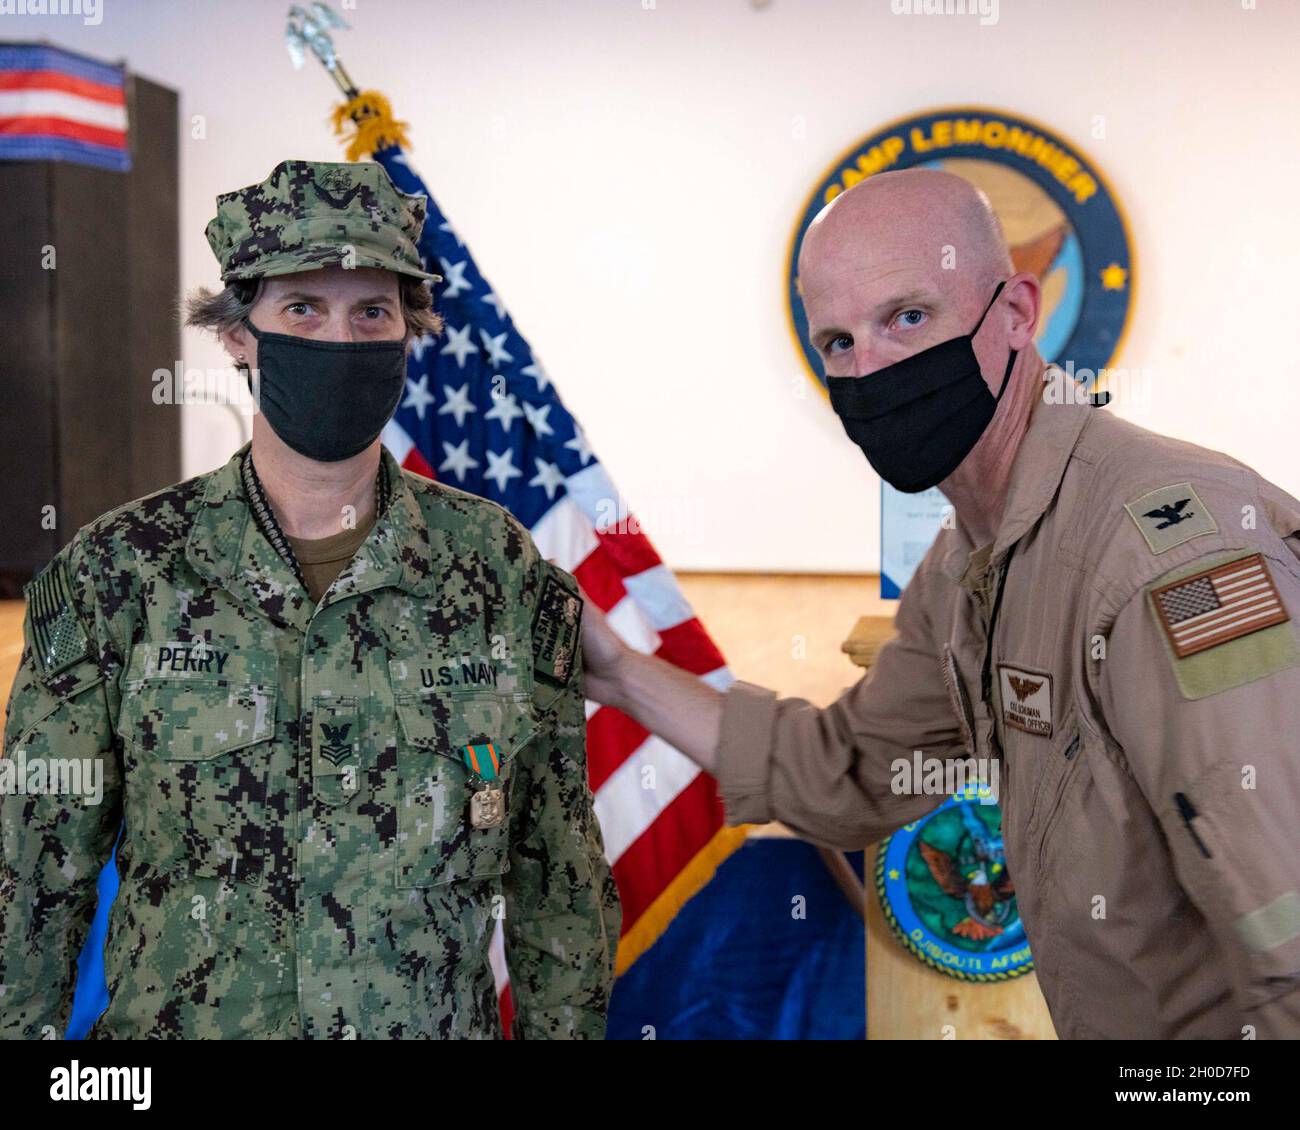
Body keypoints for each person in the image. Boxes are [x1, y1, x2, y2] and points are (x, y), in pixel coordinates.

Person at [581, 168, 1300, 1039]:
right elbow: (845, 774)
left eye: (908, 318)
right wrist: (618, 671)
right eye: (838, 341)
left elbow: (1286, 930)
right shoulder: (970, 560)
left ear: (1017, 315)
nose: (870, 367)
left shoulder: (1169, 555)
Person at [0, 159, 619, 1040]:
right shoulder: (122, 571)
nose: (341, 339)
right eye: (302, 309)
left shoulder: (496, 568)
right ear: (237, 335)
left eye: (373, 310)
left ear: (412, 329)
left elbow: (557, 873)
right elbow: (31, 879)